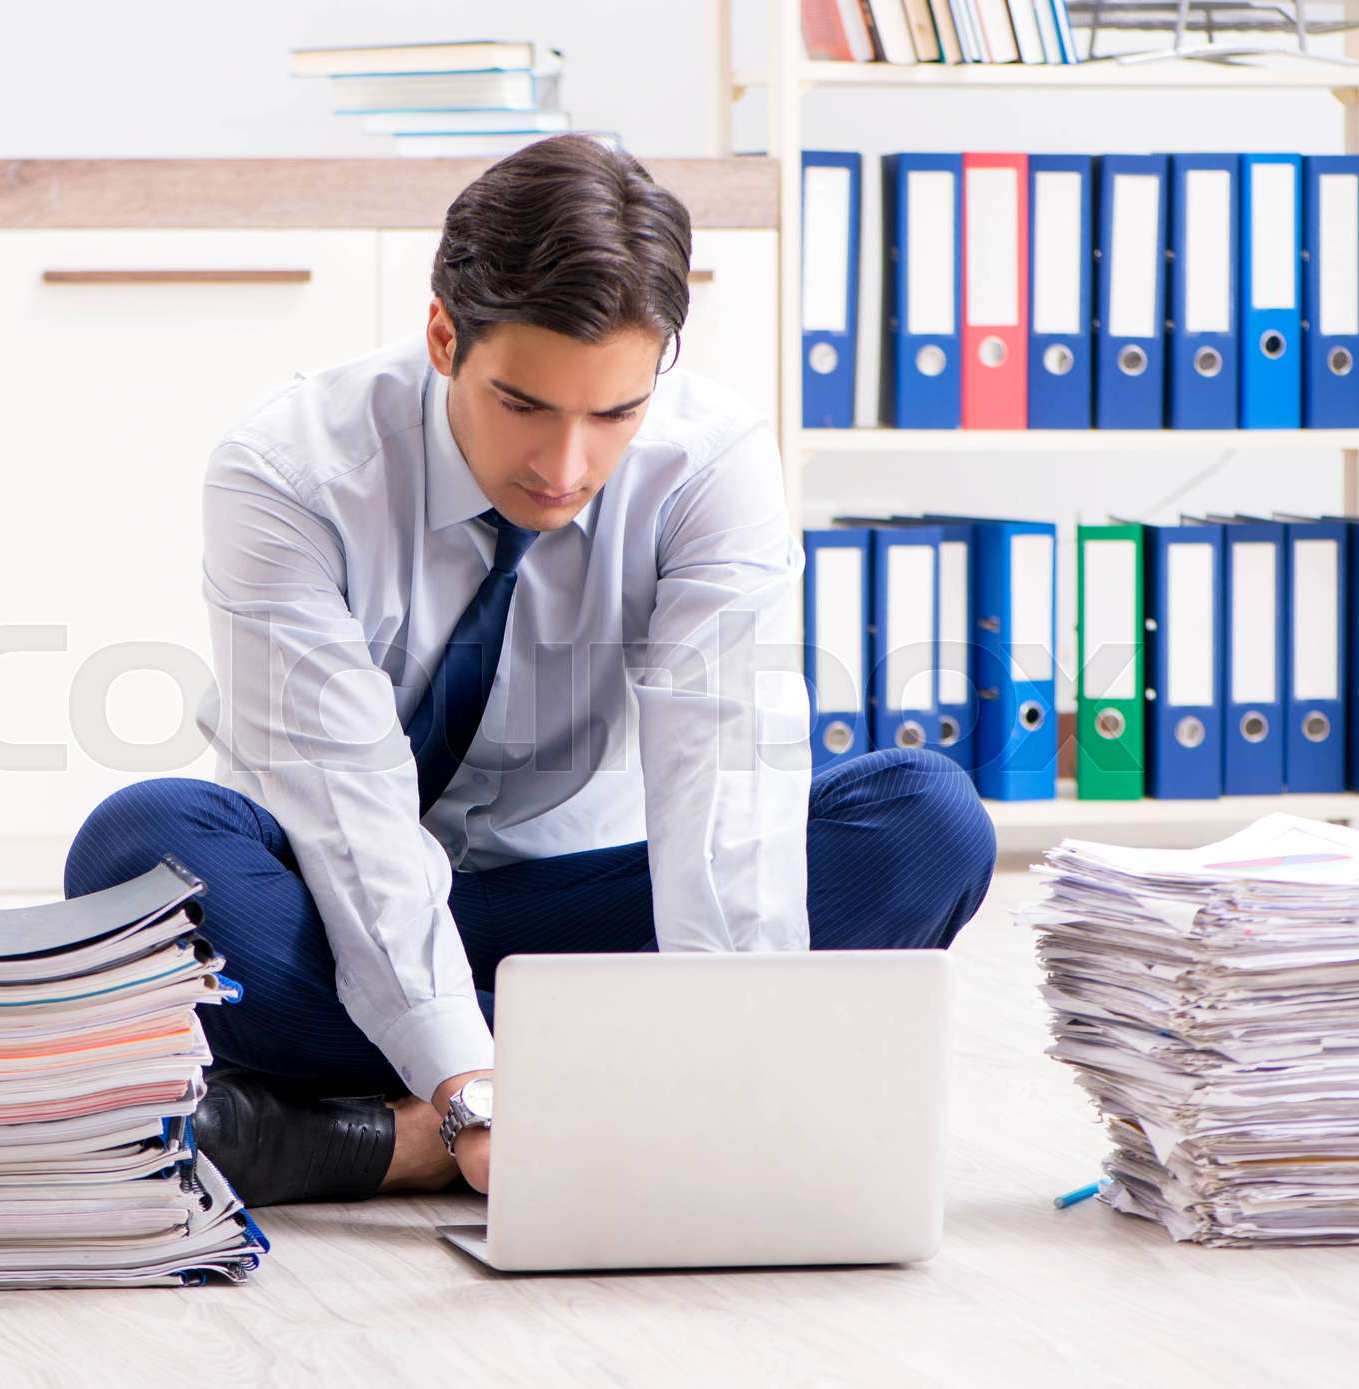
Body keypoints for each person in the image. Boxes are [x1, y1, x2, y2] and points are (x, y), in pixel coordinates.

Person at [62, 133, 996, 1207]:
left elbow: (723, 779)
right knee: (141, 857)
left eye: (613, 415)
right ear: (442, 335)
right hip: (318, 905)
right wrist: (468, 1082)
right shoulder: (287, 471)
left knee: (927, 825)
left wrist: (740, 1049)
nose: (565, 469)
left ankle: (370, 1138)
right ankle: (570, 1099)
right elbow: (347, 808)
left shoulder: (710, 464)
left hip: (572, 907)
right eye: (524, 406)